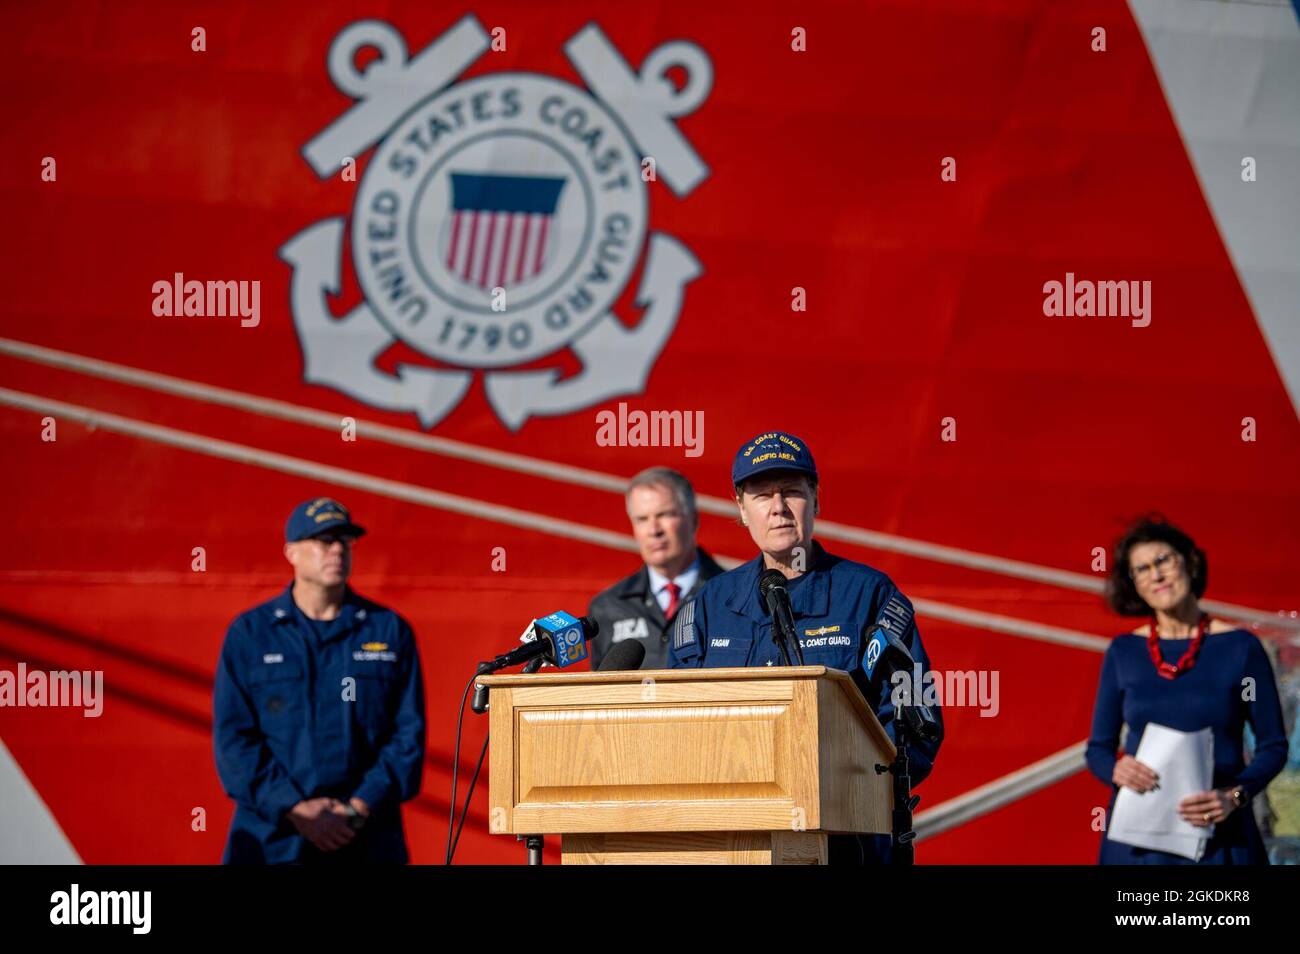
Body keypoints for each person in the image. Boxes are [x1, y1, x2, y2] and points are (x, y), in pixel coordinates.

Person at [667, 431, 944, 863]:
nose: (777, 508)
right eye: (761, 496)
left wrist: (841, 792)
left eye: (791, 492)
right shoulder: (706, 607)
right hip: (732, 843)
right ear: (741, 509)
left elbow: (916, 725)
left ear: (816, 500)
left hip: (847, 845)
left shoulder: (870, 596)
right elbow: (673, 725)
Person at [213, 497, 426, 863]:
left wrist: (359, 806)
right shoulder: (251, 635)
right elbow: (235, 741)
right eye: (324, 541)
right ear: (291, 552)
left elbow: (407, 735)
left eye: (345, 541)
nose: (337, 551)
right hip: (274, 841)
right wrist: (295, 808)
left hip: (367, 839)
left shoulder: (389, 631)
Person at [1086, 515, 1287, 864]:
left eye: (1163, 560)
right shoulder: (1123, 653)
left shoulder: (1241, 650)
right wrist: (1115, 769)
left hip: (1223, 837)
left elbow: (1272, 745)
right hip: (1139, 844)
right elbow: (1098, 749)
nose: (1156, 575)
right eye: (1142, 569)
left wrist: (1236, 796)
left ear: (1190, 562)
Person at [587, 467, 725, 670]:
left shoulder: (733, 595)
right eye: (642, 519)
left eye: (665, 515)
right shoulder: (606, 608)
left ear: (694, 519)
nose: (654, 530)